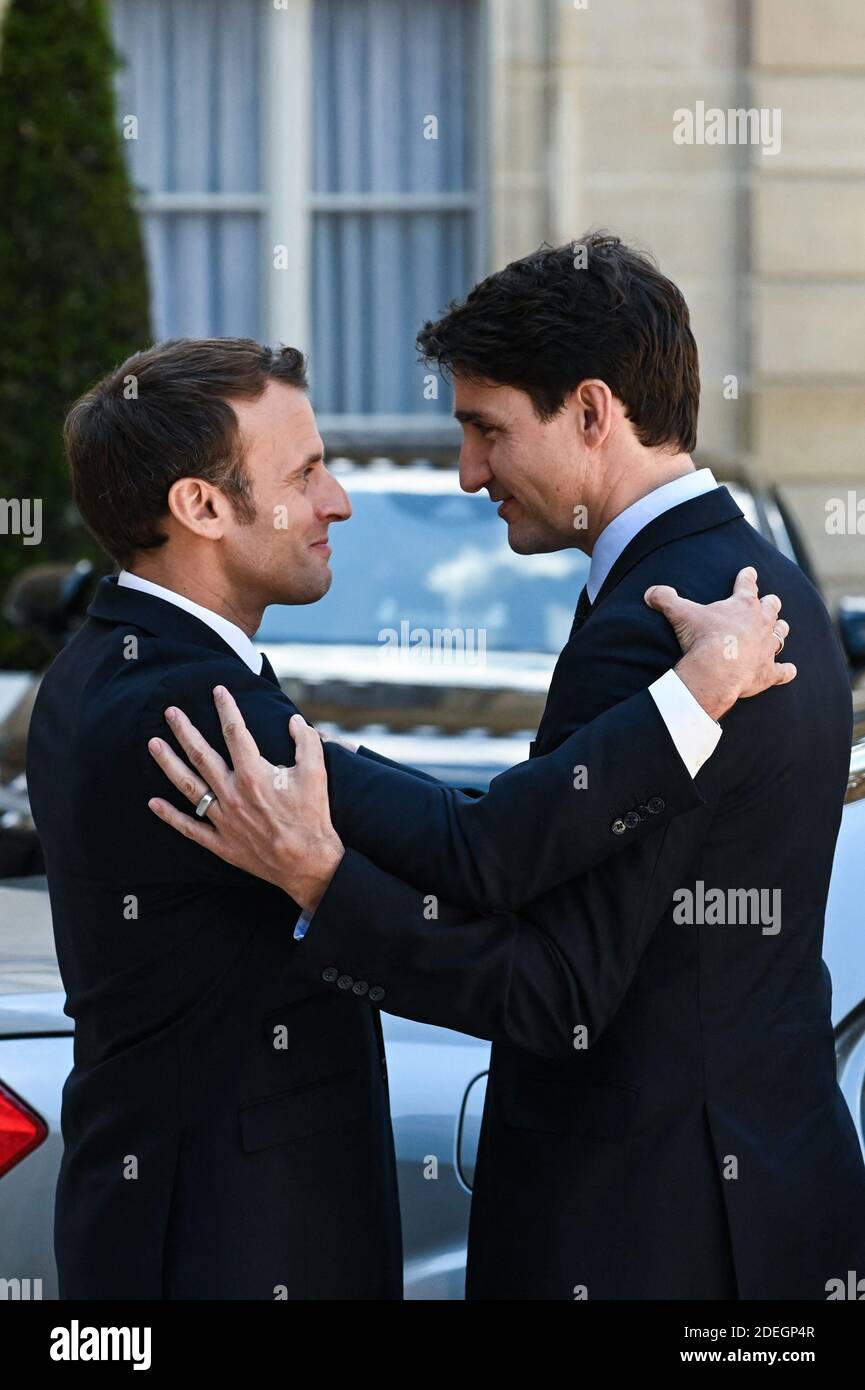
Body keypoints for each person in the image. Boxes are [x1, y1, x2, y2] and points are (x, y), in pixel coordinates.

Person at [152, 237, 865, 1301]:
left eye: (486, 429)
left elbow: (553, 984)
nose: (468, 471)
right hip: (763, 1198)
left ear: (590, 411)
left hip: (648, 1234)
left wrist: (319, 859)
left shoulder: (657, 627)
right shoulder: (749, 580)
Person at [28, 332, 786, 1300]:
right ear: (200, 506)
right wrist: (694, 692)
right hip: (224, 1239)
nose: (334, 500)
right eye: (304, 473)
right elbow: (479, 849)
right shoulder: (183, 708)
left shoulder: (118, 660)